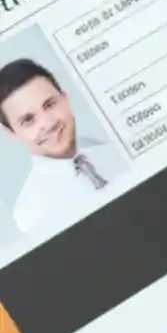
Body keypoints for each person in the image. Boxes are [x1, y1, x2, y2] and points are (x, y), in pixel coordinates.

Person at [0, 59, 128, 235]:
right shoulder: (30, 214)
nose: (49, 123)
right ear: (11, 132)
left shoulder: (119, 150)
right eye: (28, 120)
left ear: (65, 99)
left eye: (49, 104)